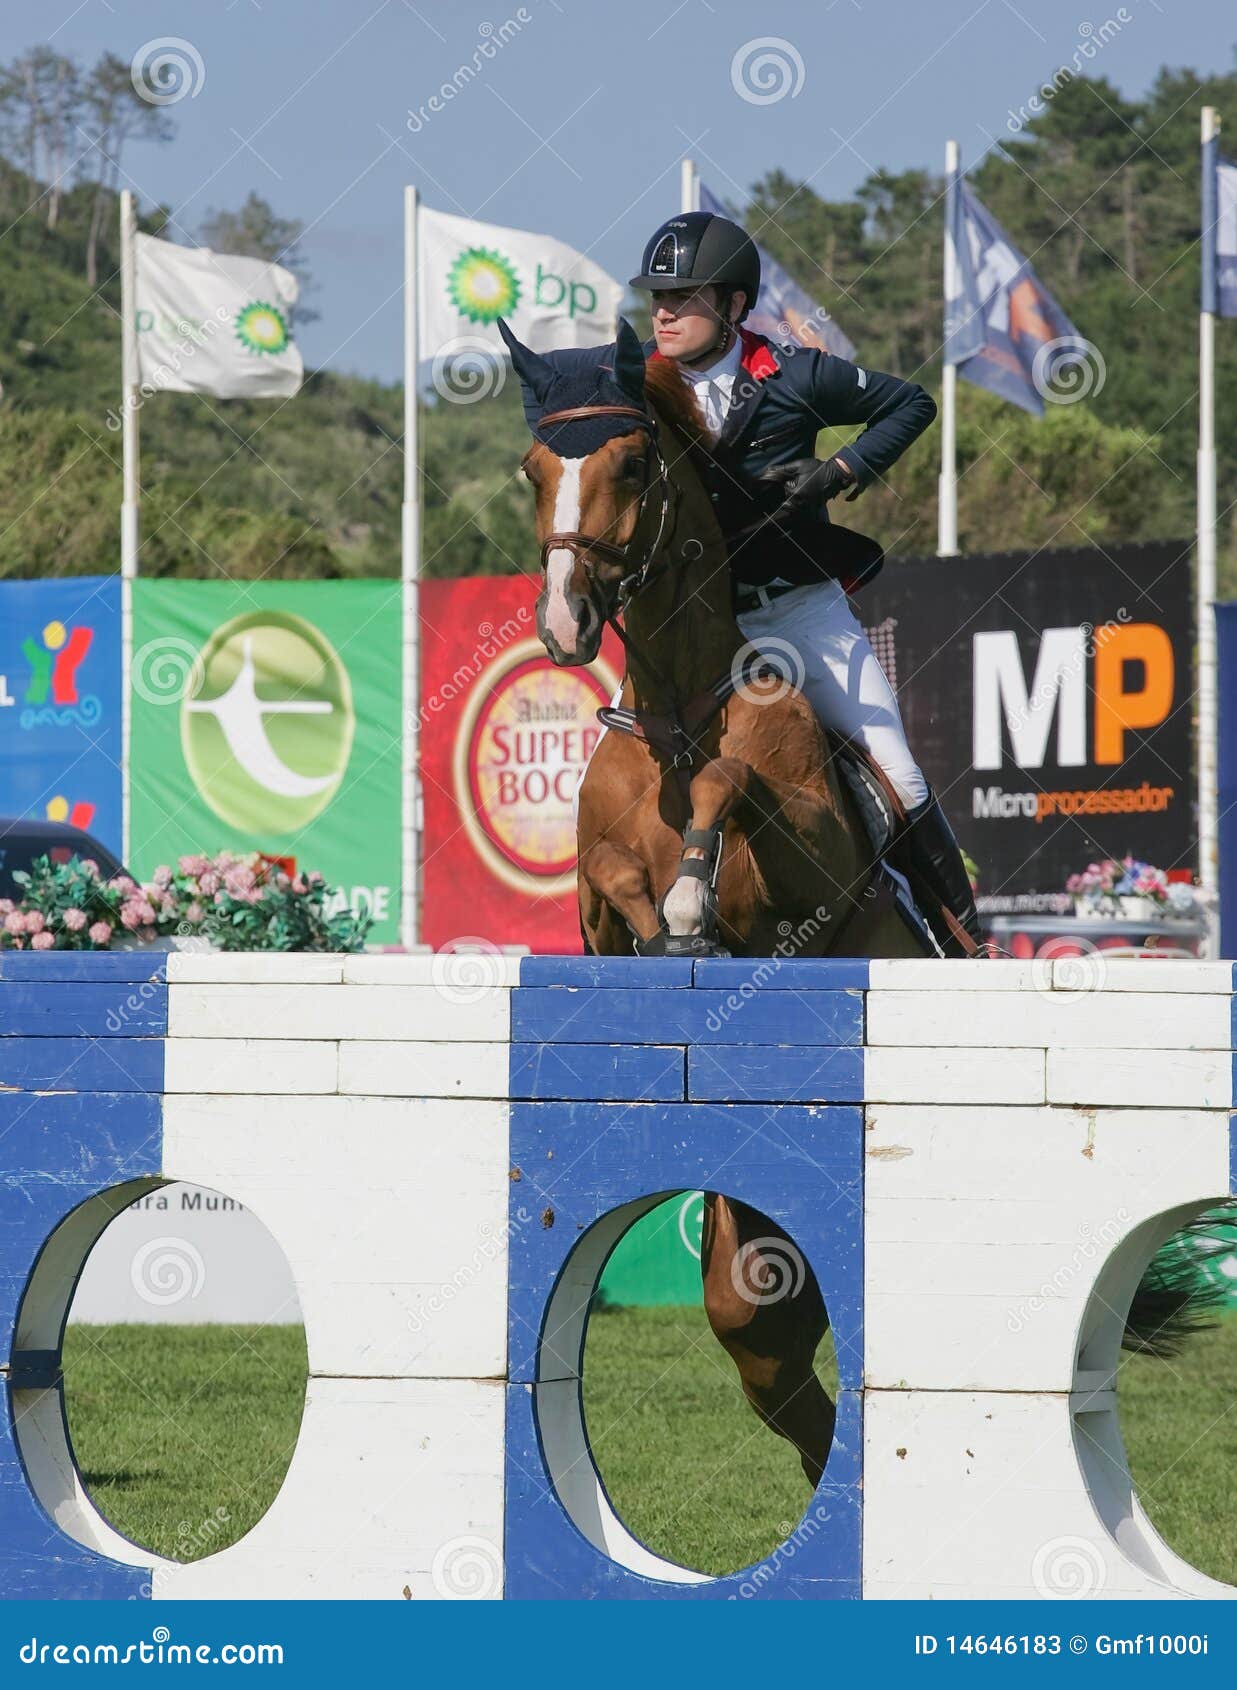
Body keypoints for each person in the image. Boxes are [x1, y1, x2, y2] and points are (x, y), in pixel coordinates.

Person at [625, 210, 984, 955]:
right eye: (657, 295)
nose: (663, 311)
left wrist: (841, 468)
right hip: (694, 628)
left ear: (732, 306)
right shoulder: (637, 393)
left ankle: (967, 947)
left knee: (902, 776)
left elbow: (910, 403)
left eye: (684, 296)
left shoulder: (796, 375)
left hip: (797, 615)